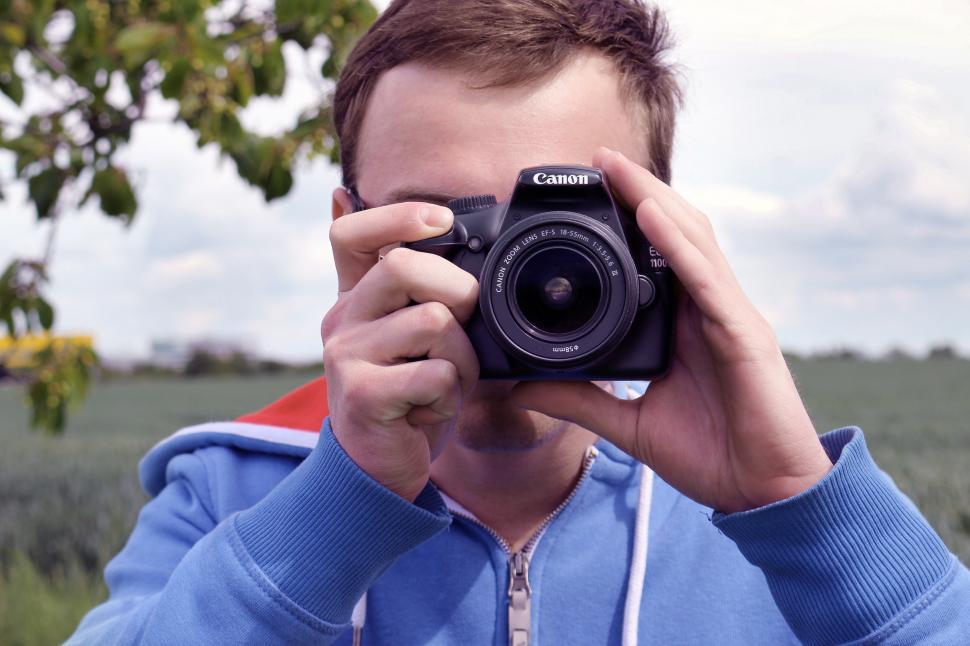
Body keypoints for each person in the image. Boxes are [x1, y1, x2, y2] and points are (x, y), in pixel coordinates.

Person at [69, 1, 970, 644]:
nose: (517, 280)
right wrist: (338, 508)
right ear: (349, 230)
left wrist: (798, 511)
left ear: (658, 238)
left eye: (564, 233)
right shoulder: (233, 491)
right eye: (454, 229)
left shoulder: (763, 527)